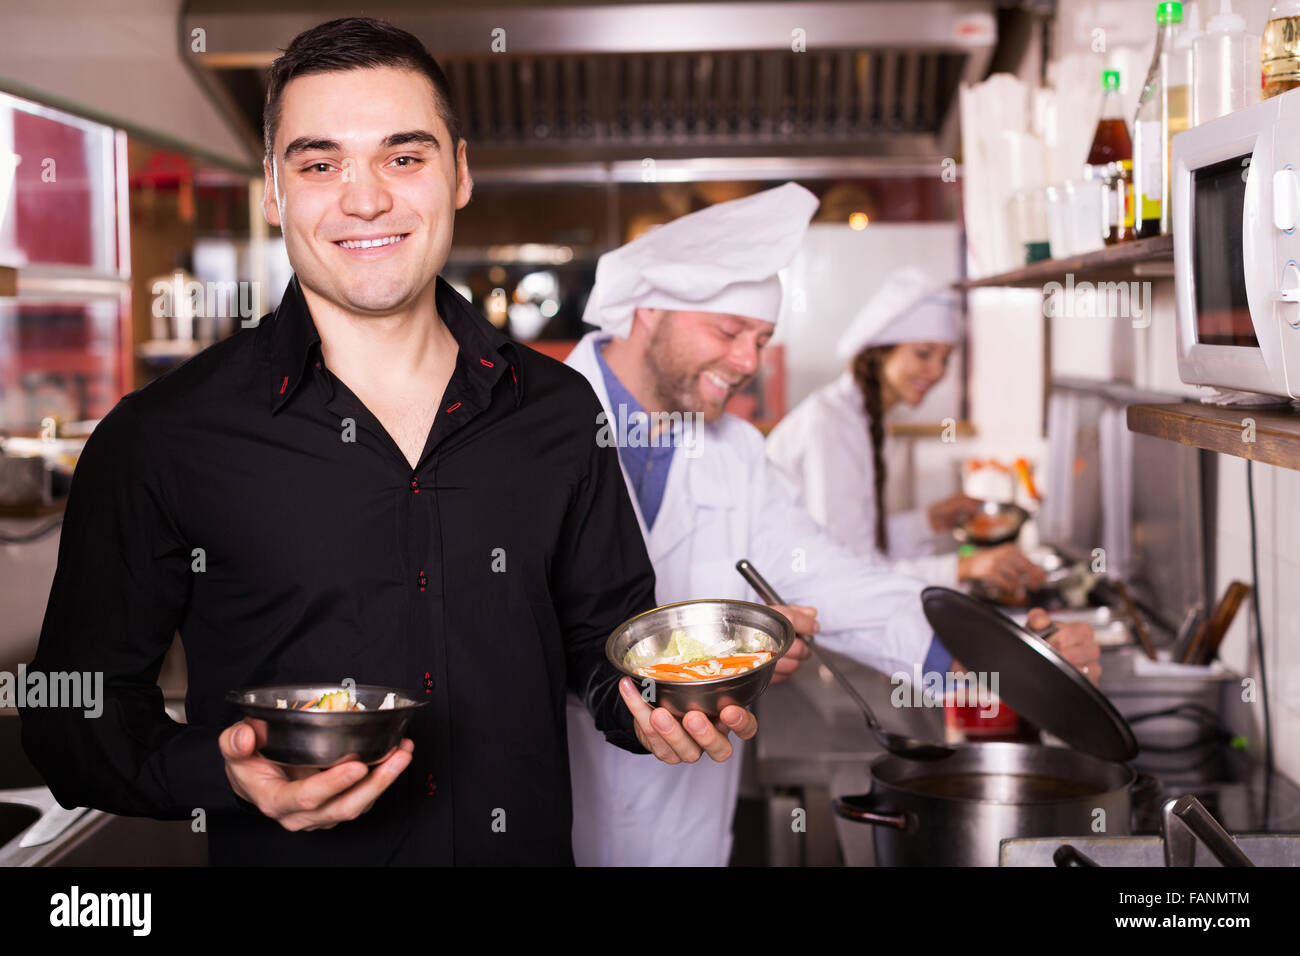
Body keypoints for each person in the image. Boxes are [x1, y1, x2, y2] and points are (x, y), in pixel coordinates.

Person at [19, 16, 754, 867]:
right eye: (320, 162)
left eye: (403, 157)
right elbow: (68, 713)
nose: (364, 199)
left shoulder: (557, 410)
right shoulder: (161, 437)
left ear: (460, 173)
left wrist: (665, 708)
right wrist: (223, 775)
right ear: (273, 188)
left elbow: (601, 643)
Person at [564, 183, 1102, 866]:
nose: (748, 364)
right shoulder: (529, 435)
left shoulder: (734, 452)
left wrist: (1008, 653)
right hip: (556, 804)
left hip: (684, 823)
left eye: (760, 340)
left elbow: (831, 578)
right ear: (648, 310)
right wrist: (710, 650)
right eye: (729, 332)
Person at [767, 268, 1046, 605]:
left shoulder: (867, 419)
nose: (938, 372)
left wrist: (929, 521)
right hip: (792, 607)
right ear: (881, 351)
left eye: (945, 358)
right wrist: (965, 566)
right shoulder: (832, 424)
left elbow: (860, 541)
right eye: (924, 353)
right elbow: (850, 567)